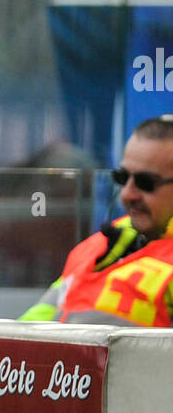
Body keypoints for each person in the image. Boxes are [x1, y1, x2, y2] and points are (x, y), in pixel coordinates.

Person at [21, 116, 173, 326]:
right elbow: (29, 330)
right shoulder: (96, 246)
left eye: (146, 183)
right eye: (122, 177)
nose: (127, 194)